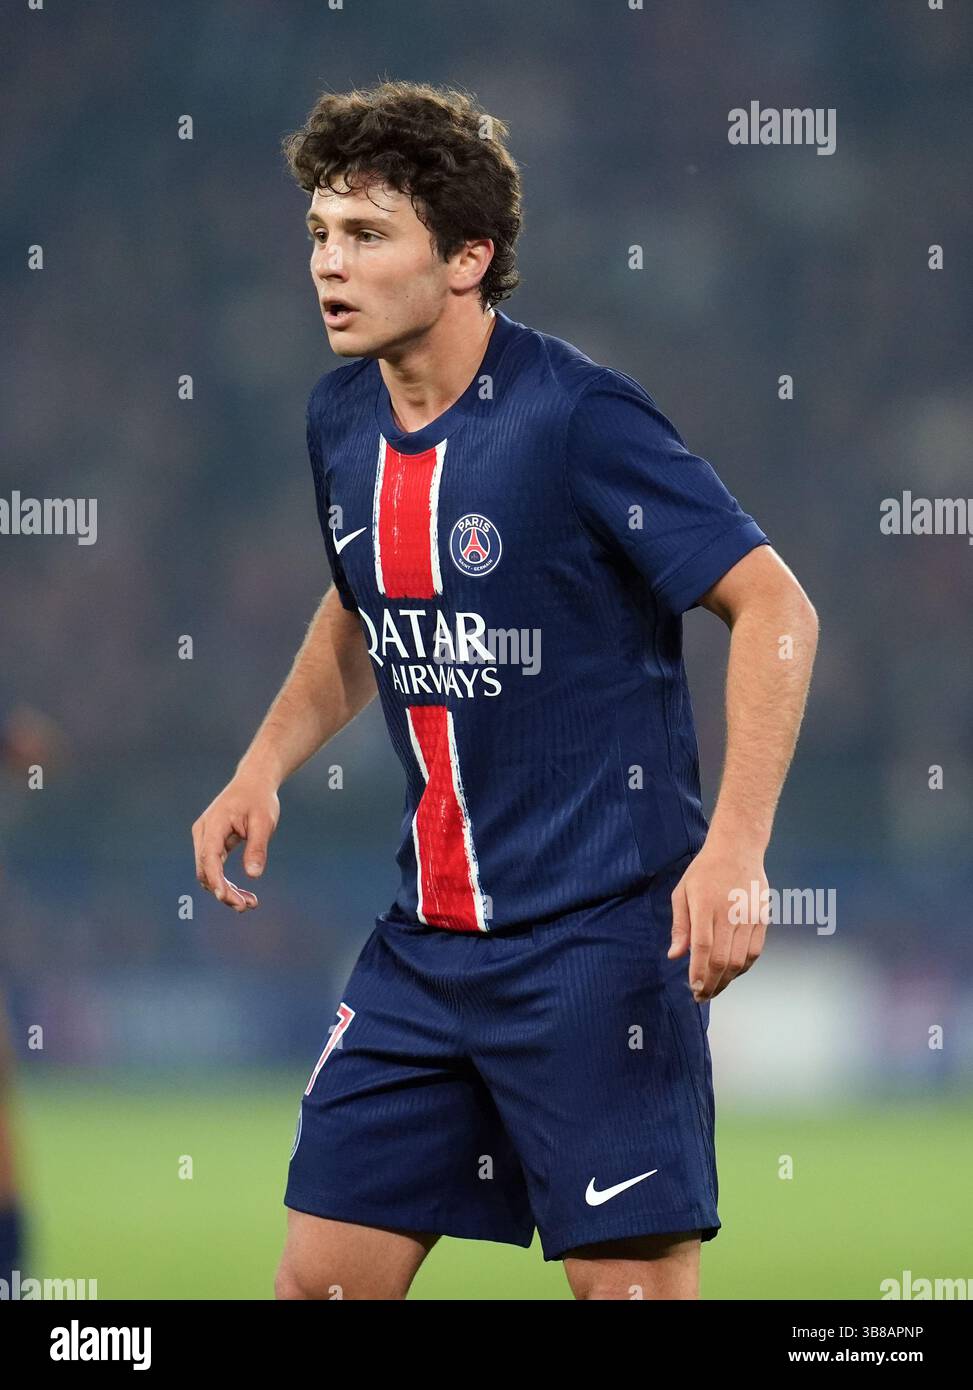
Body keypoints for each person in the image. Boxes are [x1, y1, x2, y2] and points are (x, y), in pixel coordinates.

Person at [192, 80, 818, 1301]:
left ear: (468, 256)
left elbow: (776, 605)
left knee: (625, 1296)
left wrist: (736, 849)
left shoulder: (578, 418)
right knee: (316, 1287)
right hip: (423, 954)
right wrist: (261, 763)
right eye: (320, 234)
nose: (329, 264)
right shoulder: (339, 421)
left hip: (596, 948)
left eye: (368, 236)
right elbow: (366, 608)